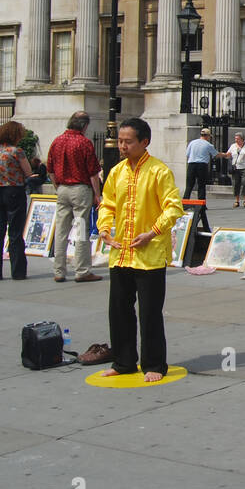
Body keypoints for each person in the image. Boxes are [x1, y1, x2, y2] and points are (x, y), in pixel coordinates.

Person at [98, 118, 185, 383]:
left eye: (127, 141)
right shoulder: (117, 172)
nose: (122, 146)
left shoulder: (159, 171)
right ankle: (123, 361)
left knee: (149, 312)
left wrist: (152, 232)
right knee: (119, 310)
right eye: (120, 141)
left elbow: (173, 207)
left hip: (149, 254)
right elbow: (107, 204)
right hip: (121, 252)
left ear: (144, 142)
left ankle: (154, 363)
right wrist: (104, 229)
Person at [48, 110, 104, 283]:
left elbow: (50, 168)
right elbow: (93, 172)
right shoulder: (84, 143)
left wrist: (57, 186)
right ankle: (82, 270)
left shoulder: (57, 141)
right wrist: (98, 195)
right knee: (81, 229)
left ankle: (59, 270)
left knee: (62, 230)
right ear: (85, 125)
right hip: (80, 189)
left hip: (63, 188)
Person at [0, 120, 34, 281]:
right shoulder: (16, 151)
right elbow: (28, 172)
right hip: (14, 191)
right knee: (15, 232)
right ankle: (18, 271)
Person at [184, 128, 216, 201]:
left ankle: (185, 202)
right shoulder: (208, 145)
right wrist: (225, 155)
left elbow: (187, 154)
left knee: (189, 185)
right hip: (202, 165)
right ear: (207, 136)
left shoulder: (192, 142)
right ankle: (201, 204)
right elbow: (215, 154)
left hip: (191, 164)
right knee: (201, 185)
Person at [227, 133, 245, 208]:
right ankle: (237, 200)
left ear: (242, 139)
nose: (236, 140)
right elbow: (228, 154)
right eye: (235, 138)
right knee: (235, 183)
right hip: (236, 167)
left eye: (237, 139)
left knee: (244, 183)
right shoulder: (233, 146)